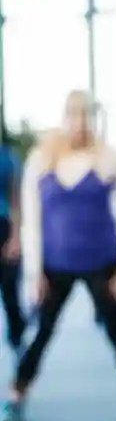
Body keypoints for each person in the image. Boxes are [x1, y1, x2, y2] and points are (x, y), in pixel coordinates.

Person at [0, 90, 116, 421]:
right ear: (64, 117)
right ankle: (15, 399)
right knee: (39, 332)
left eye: (87, 115)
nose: (80, 123)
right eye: (74, 115)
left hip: (103, 261)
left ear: (96, 120)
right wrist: (34, 273)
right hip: (55, 263)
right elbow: (32, 221)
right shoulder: (42, 160)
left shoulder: (113, 160)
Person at [0, 137, 23, 356]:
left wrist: (16, 237)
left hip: (4, 226)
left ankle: (16, 336)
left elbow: (17, 200)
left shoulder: (9, 158)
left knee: (10, 289)